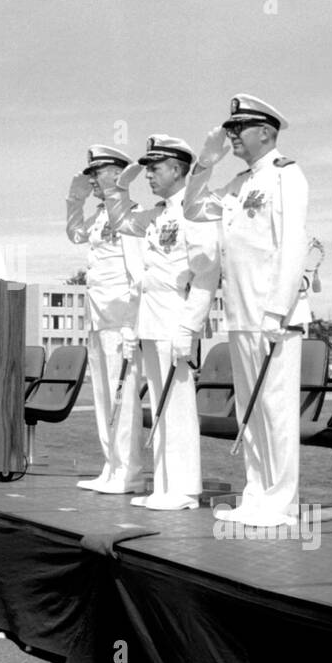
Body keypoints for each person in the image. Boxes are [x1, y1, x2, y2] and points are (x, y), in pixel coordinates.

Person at [210, 95, 310, 529]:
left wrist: (276, 310)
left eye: (239, 129)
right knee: (248, 411)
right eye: (230, 130)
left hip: (273, 314)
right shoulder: (237, 183)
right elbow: (196, 207)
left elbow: (293, 246)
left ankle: (281, 502)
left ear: (266, 133)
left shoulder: (287, 176)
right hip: (240, 312)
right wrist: (204, 164)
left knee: (275, 410)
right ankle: (256, 493)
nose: (231, 136)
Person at [106, 135, 221, 510]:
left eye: (154, 168)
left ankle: (185, 489)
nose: (149, 176)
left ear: (176, 168)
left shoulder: (196, 210)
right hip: (150, 316)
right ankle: (165, 486)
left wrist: (190, 327)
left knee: (178, 404)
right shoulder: (156, 214)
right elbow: (120, 221)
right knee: (159, 403)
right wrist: (121, 185)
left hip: (176, 315)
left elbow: (205, 275)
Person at [66, 146, 145, 494]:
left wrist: (132, 324)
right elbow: (74, 234)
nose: (93, 179)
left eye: (98, 172)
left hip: (121, 320)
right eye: (91, 173)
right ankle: (110, 466)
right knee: (102, 396)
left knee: (123, 397)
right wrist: (74, 200)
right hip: (98, 319)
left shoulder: (131, 214)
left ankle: (129, 472)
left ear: (118, 174)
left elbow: (137, 273)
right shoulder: (100, 217)